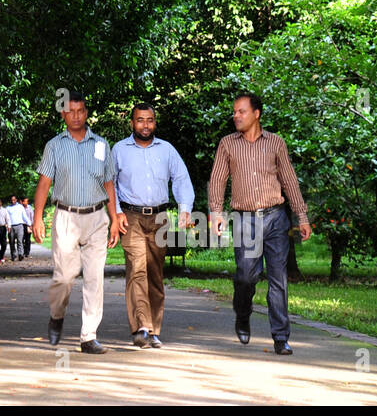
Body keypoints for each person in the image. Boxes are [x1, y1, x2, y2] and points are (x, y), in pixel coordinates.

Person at [208, 91, 312, 355]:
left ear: (256, 114)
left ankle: (280, 337)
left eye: (241, 111)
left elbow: (289, 180)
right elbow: (218, 179)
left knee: (278, 279)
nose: (236, 116)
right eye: (234, 112)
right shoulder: (228, 144)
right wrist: (216, 213)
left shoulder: (276, 143)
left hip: (276, 217)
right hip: (245, 219)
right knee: (246, 276)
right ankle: (243, 314)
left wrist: (302, 216)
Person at [31, 92, 117, 354]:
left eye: (81, 111)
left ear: (87, 113)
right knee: (64, 278)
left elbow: (109, 183)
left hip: (96, 218)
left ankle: (88, 336)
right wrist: (37, 217)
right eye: (71, 111)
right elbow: (44, 183)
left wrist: (115, 219)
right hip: (66, 217)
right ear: (63, 114)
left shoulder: (101, 144)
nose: (76, 116)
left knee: (94, 278)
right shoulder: (55, 146)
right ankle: (57, 315)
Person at [110, 103, 194, 349]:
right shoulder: (120, 150)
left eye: (149, 120)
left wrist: (185, 207)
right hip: (131, 216)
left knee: (155, 274)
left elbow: (181, 178)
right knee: (137, 270)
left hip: (159, 218)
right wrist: (116, 213)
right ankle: (141, 327)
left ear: (154, 122)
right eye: (140, 120)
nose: (145, 125)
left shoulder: (167, 150)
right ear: (132, 123)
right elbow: (110, 183)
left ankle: (154, 330)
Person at [5, 195, 28, 261]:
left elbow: (24, 216)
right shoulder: (8, 208)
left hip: (20, 226)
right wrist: (7, 225)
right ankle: (13, 255)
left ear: (16, 200)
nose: (13, 201)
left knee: (20, 241)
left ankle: (20, 254)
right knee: (11, 242)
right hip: (11, 226)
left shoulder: (20, 207)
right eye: (12, 200)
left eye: (14, 200)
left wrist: (29, 224)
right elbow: (7, 218)